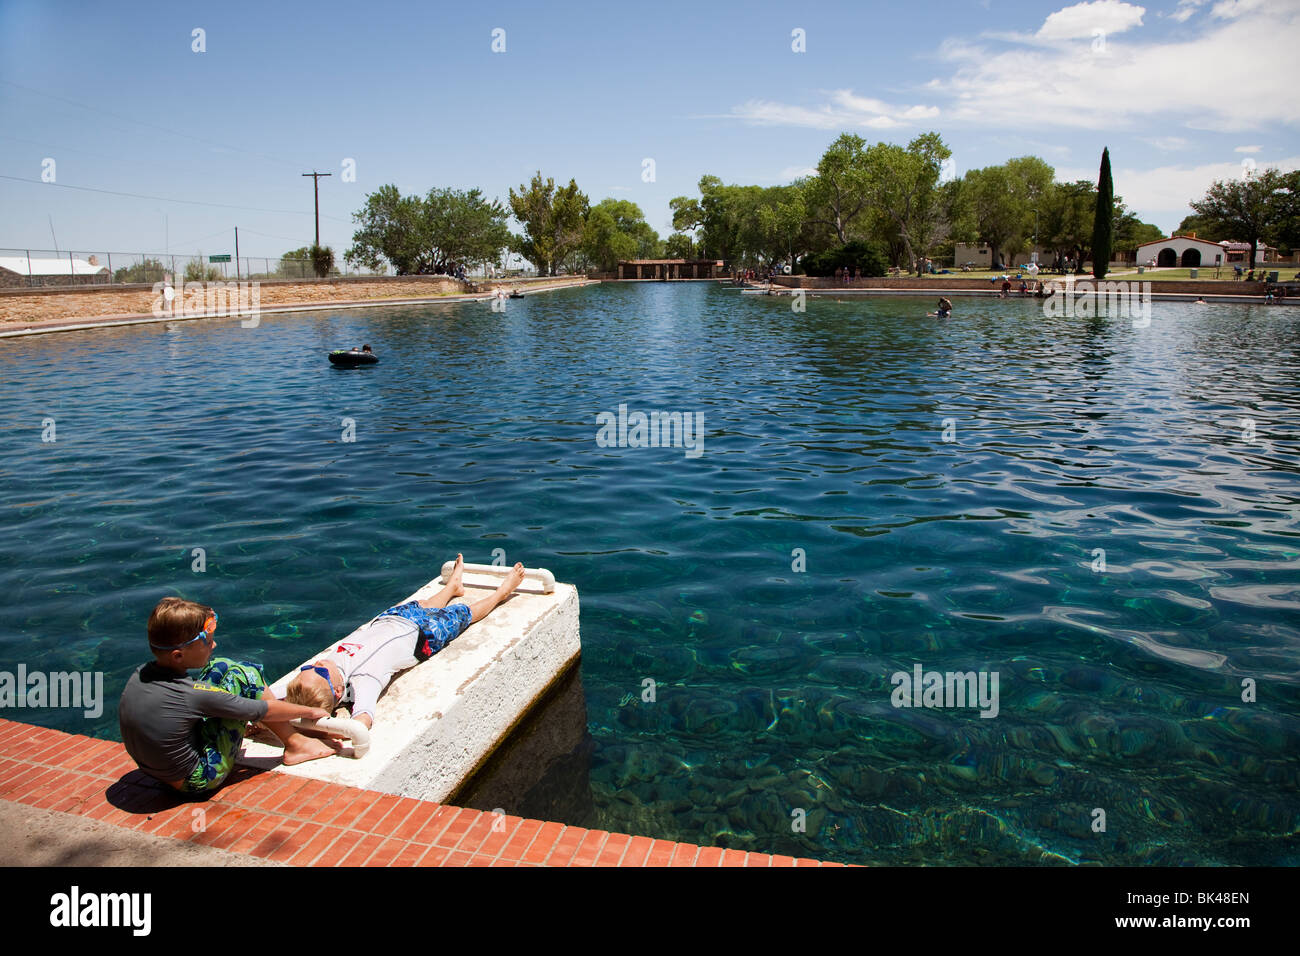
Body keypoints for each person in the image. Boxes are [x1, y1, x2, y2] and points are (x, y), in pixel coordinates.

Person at [274, 555, 525, 730]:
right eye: (317, 670)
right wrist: (333, 728)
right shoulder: (364, 680)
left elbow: (265, 697)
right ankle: (502, 593)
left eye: (306, 668)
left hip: (390, 620)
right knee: (463, 613)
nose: (315, 664)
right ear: (338, 692)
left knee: (423, 604)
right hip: (422, 636)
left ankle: (452, 587)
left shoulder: (306, 684)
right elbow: (363, 717)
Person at [118, 598, 333, 794]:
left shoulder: (141, 674)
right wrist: (310, 710)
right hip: (196, 780)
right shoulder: (190, 695)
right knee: (246, 676)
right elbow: (259, 710)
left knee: (223, 666)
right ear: (178, 655)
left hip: (156, 774)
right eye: (207, 642)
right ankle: (296, 744)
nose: (214, 645)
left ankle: (291, 738)